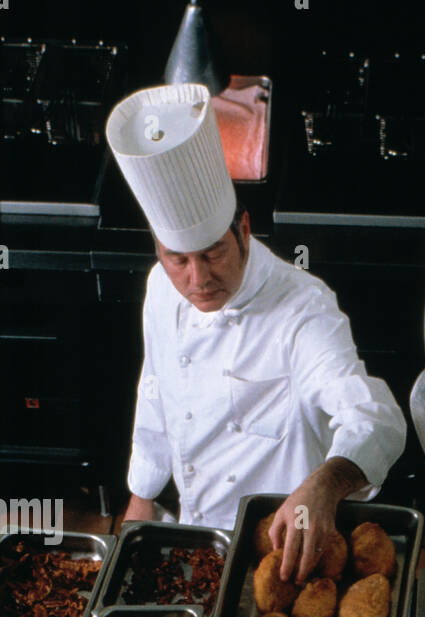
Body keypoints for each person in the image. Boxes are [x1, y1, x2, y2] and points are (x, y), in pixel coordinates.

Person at [106, 82, 407, 582]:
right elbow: (156, 391)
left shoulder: (302, 308)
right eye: (178, 259)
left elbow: (376, 417)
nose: (198, 280)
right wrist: (143, 492)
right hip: (198, 537)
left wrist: (326, 485)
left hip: (284, 548)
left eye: (213, 254)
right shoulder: (161, 288)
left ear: (244, 229)